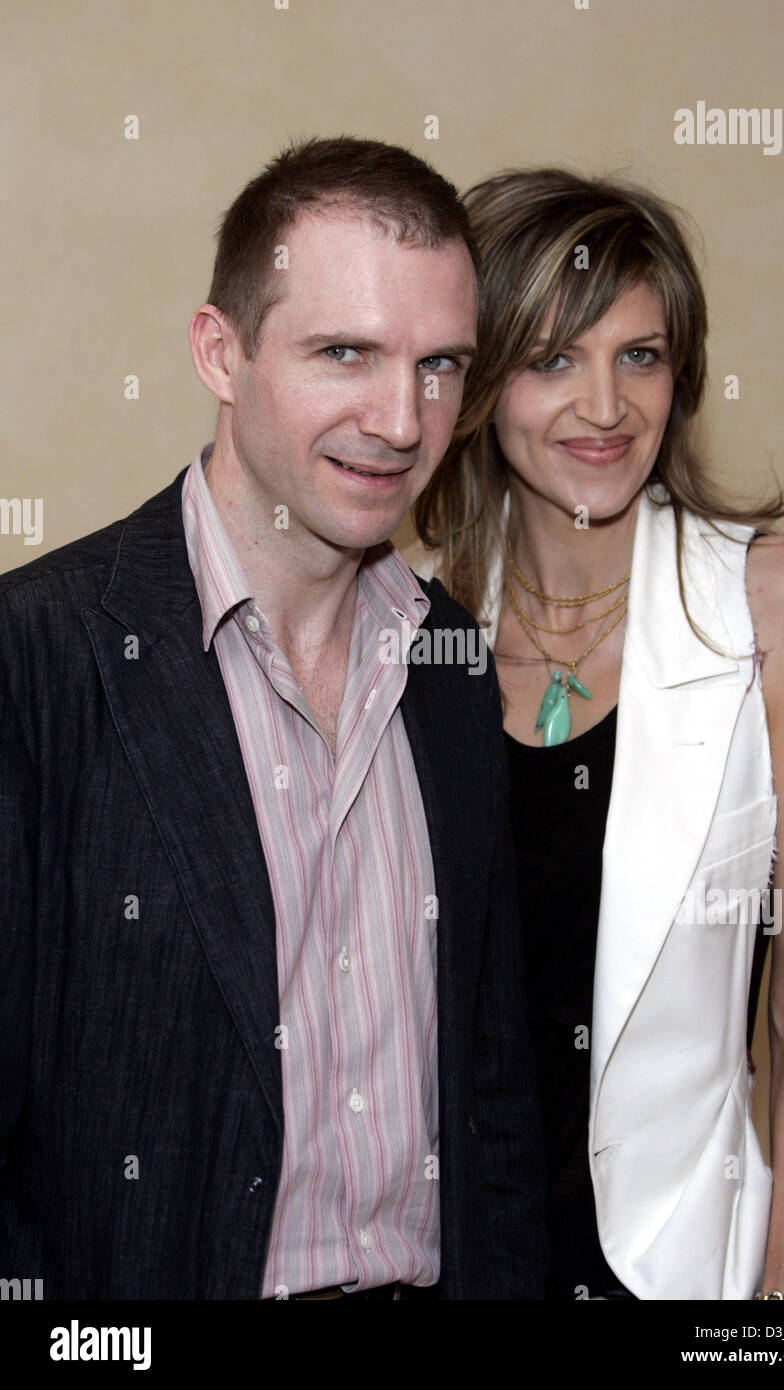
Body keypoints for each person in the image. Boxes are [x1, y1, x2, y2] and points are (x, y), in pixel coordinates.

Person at [0, 137, 547, 1300]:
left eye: (439, 364)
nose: (402, 420)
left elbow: (493, 1091)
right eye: (343, 351)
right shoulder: (38, 656)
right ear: (221, 353)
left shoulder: (450, 661)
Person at [406, 168, 784, 1300]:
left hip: (677, 1263)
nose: (604, 407)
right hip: (450, 1252)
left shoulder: (778, 609)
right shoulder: (412, 632)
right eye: (551, 359)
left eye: (639, 356)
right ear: (476, 384)